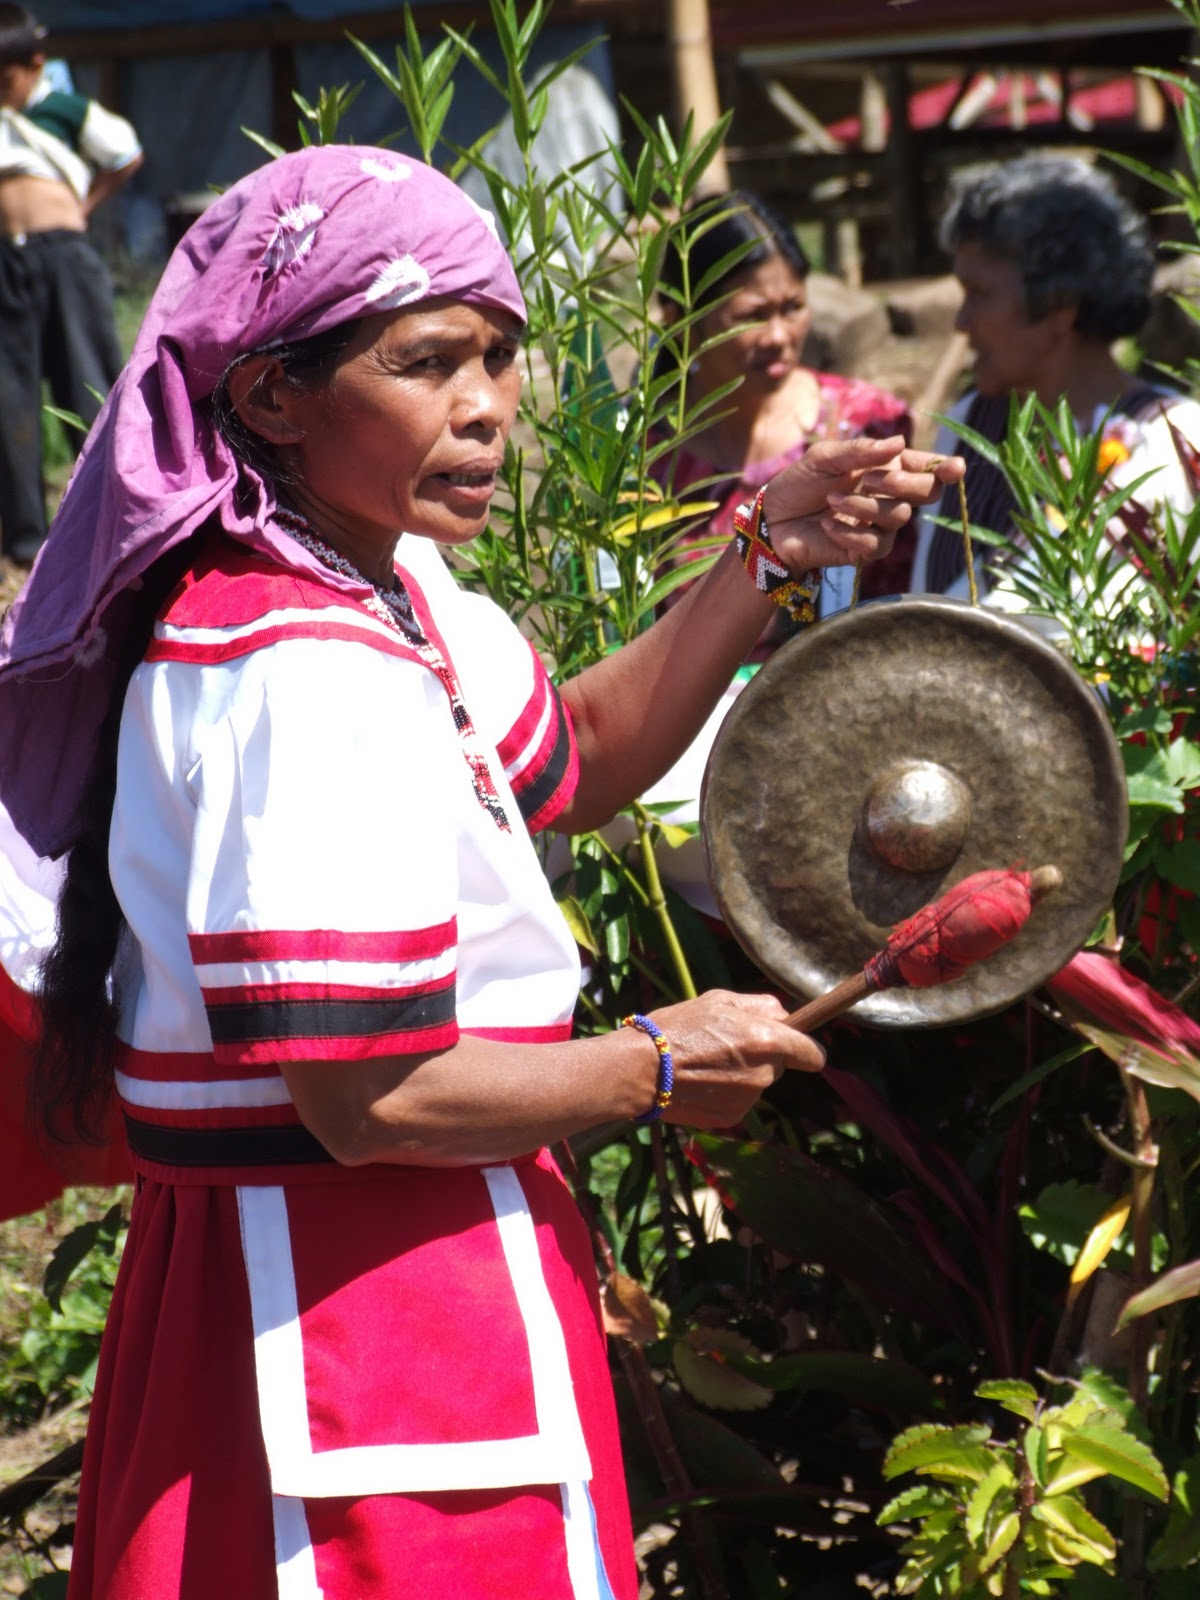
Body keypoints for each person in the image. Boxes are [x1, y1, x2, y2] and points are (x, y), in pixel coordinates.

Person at [0, 146, 961, 1599]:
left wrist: (763, 548)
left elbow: (571, 748)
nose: (486, 405)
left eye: (501, 356)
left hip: (381, 1270)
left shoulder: (375, 579)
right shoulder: (297, 664)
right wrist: (645, 1063)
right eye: (426, 360)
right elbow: (362, 1089)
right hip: (351, 1311)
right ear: (270, 394)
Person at [912, 153, 1200, 601]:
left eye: (979, 294)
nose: (962, 322)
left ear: (1059, 304)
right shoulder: (968, 428)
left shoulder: (1177, 441)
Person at [654, 189, 914, 636]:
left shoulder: (866, 428)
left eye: (792, 308)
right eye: (752, 315)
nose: (778, 336)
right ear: (684, 322)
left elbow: (903, 603)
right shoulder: (646, 454)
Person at [0, 3, 142, 563]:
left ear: (34, 65)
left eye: (4, 79)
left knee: (87, 379)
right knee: (8, 394)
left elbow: (124, 154)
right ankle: (26, 540)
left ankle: (120, 517)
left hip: (63, 255)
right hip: (5, 263)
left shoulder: (61, 110)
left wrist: (82, 207)